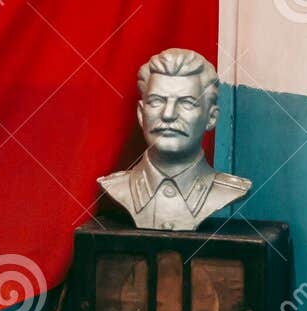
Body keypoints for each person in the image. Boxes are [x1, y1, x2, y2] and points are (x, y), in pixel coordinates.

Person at [97, 48, 250, 231]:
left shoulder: (229, 191)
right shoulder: (115, 187)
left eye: (186, 103)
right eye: (156, 101)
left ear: (211, 118)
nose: (168, 114)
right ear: (141, 114)